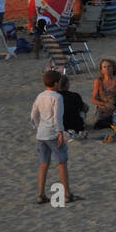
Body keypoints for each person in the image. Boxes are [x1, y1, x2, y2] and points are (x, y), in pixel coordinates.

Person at [31, 70, 77, 204]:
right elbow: (57, 117)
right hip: (53, 134)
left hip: (41, 134)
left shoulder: (40, 96)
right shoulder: (57, 97)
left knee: (44, 164)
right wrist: (60, 132)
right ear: (56, 83)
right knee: (61, 162)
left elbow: (33, 114)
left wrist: (38, 126)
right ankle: (67, 193)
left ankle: (41, 194)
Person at [91, 59, 116, 129]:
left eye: (109, 66)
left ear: (113, 68)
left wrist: (114, 108)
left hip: (115, 107)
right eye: (104, 67)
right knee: (99, 124)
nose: (107, 69)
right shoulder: (98, 81)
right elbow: (94, 100)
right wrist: (105, 104)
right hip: (102, 108)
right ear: (101, 70)